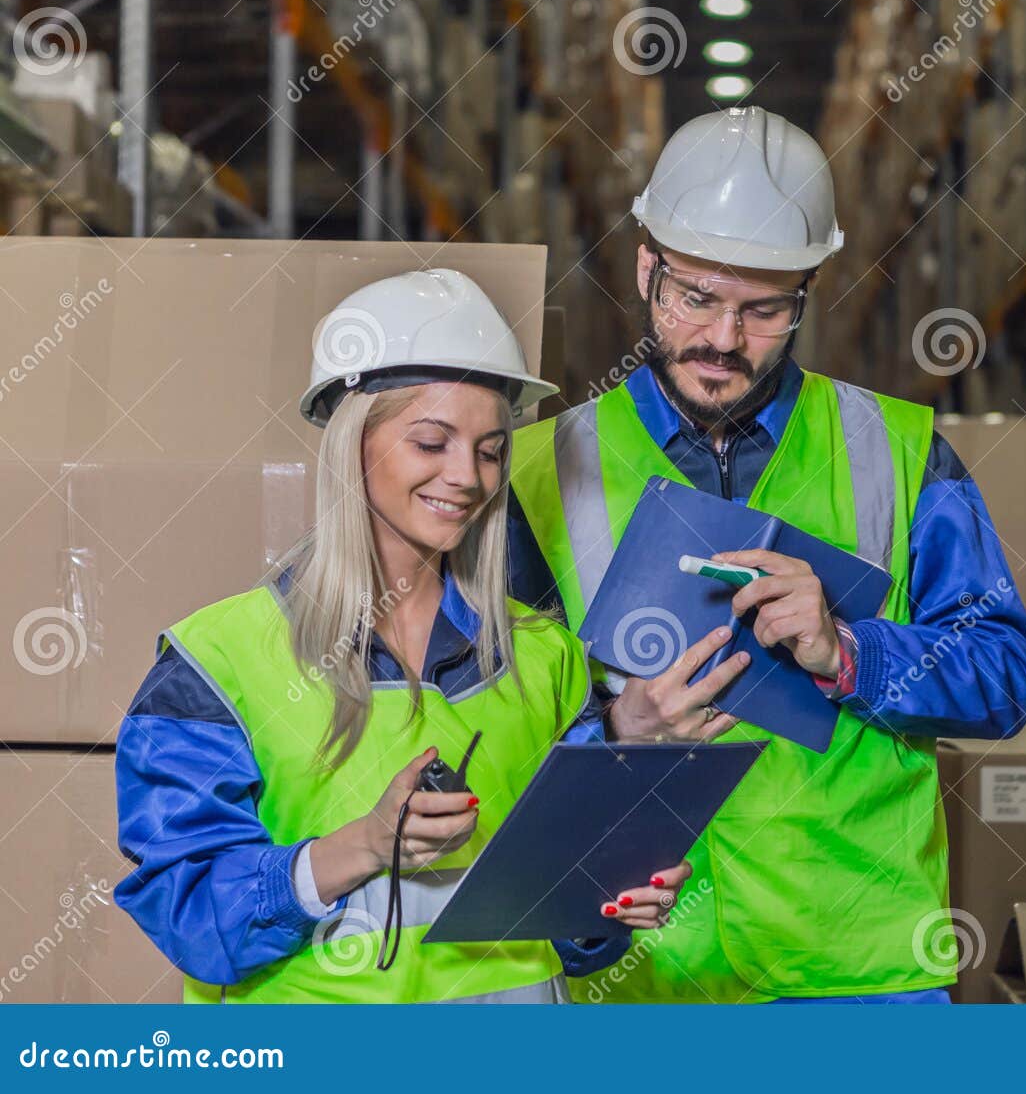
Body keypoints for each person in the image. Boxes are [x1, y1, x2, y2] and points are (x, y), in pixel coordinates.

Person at [507, 106, 1026, 1003]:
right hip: (642, 980)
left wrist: (852, 652)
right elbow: (491, 729)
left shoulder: (898, 452)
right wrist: (617, 731)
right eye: (695, 298)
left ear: (808, 291)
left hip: (859, 975)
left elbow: (1003, 674)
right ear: (646, 267)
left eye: (764, 310)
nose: (722, 339)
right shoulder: (538, 472)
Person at [115, 269, 691, 1003]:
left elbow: (571, 927)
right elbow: (190, 914)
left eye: (489, 449)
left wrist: (609, 901)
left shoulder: (543, 657)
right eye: (431, 441)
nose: (468, 476)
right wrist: (359, 845)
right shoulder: (217, 661)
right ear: (355, 444)